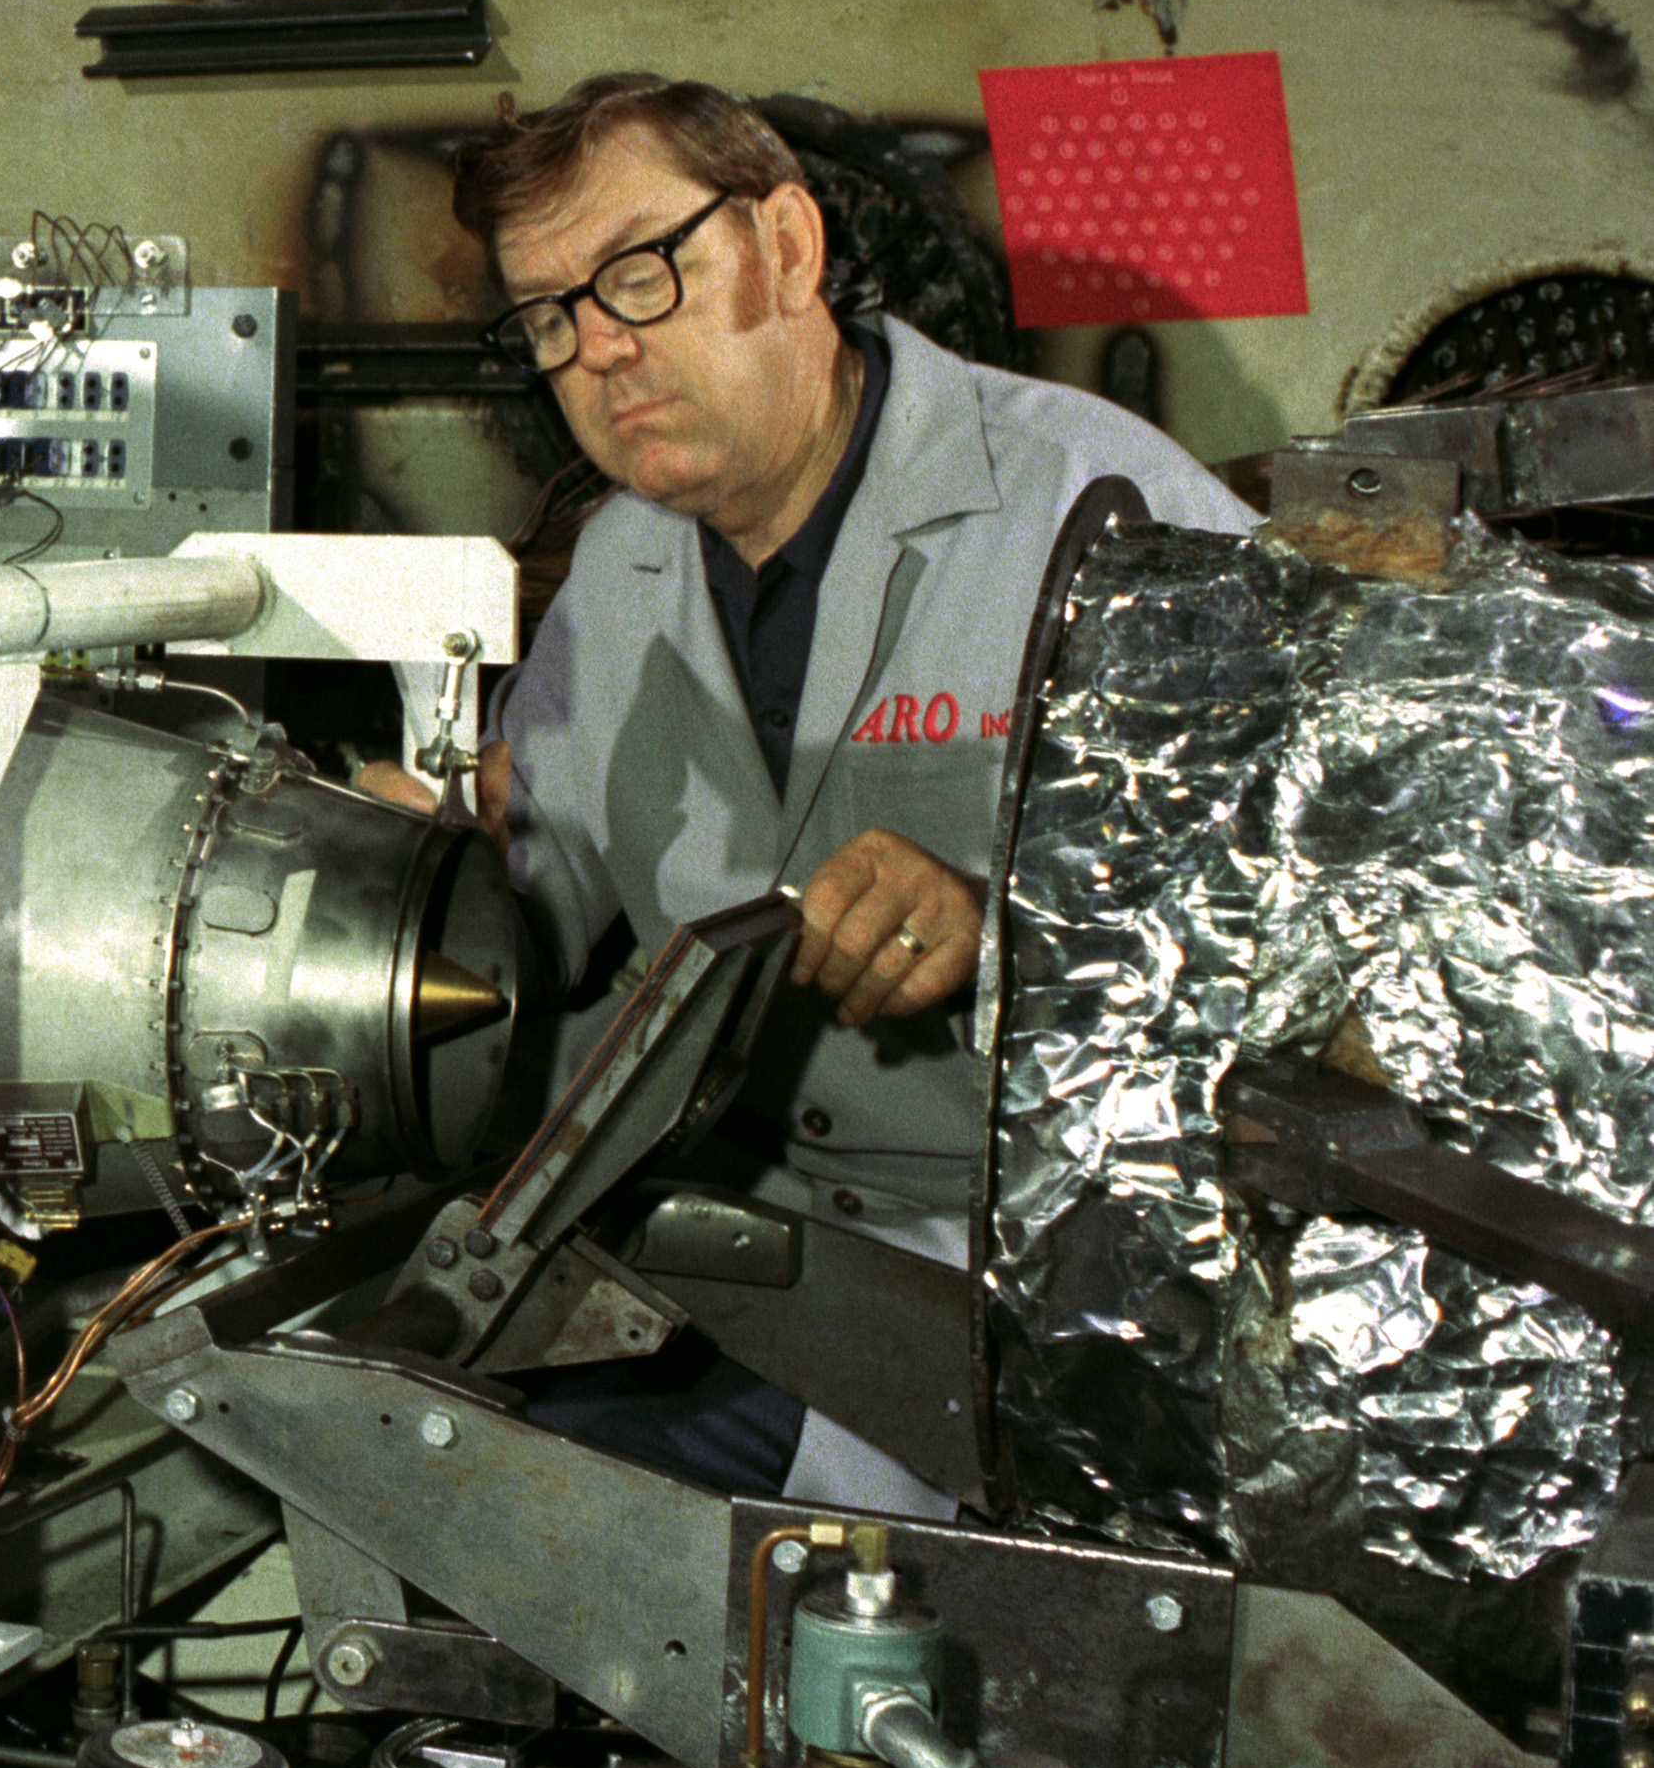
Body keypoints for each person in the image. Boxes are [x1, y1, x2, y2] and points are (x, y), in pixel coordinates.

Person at [368, 73, 1248, 1506]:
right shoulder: (619, 566)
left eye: (643, 274)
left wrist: (1010, 921)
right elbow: (543, 913)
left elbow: (1315, 917)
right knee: (366, 1414)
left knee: (527, 1490)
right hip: (722, 1245)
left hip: (1032, 1272)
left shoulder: (1097, 506)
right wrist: (410, 881)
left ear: (788, 245)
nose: (600, 349)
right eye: (550, 316)